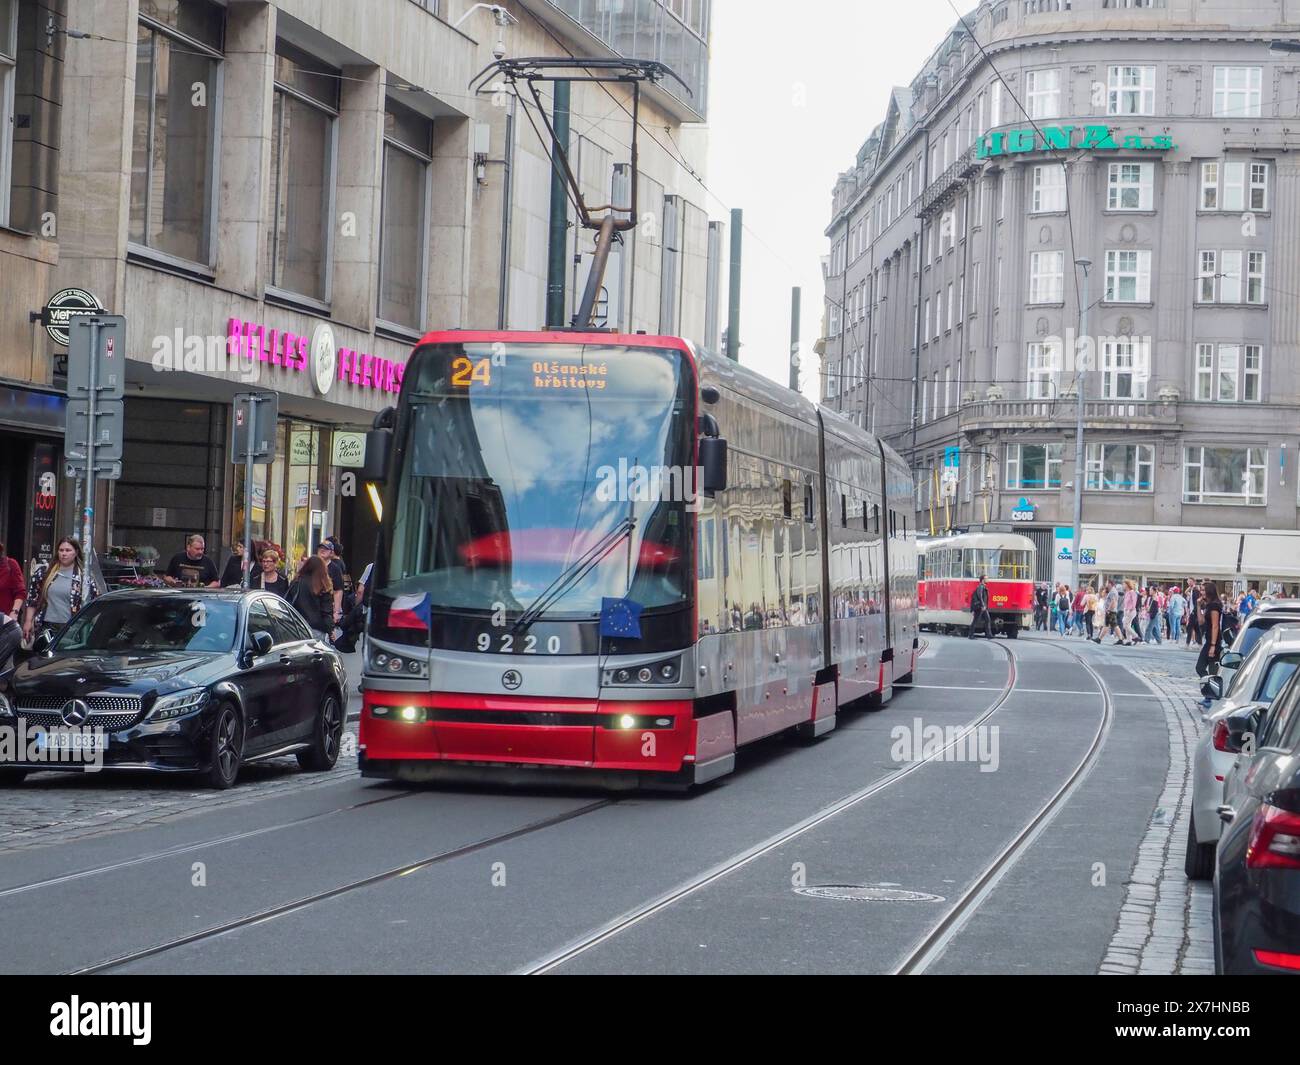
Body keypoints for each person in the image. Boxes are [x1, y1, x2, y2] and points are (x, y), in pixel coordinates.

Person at [23, 537, 96, 645]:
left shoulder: (84, 577)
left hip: (71, 628)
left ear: (76, 552)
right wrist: (28, 621)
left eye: (68, 550)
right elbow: (33, 598)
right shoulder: (45, 572)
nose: (64, 554)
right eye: (61, 550)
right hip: (46, 626)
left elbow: (94, 602)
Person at [289, 555, 334, 640]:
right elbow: (326, 612)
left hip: (297, 626)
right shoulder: (322, 585)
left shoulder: (296, 581)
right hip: (316, 627)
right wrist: (331, 630)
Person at [1197, 580, 1225, 709]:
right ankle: (1210, 695)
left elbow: (1215, 626)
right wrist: (1198, 606)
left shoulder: (1214, 606)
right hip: (1209, 640)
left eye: (1203, 590)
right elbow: (1201, 621)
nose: (1201, 592)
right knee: (1201, 668)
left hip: (1213, 642)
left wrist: (1213, 645)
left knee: (1211, 670)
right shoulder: (1208, 605)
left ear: (1209, 591)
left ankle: (1211, 697)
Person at [0, 542, 26, 671]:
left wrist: (14, 612)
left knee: (5, 666)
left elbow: (20, 592)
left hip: (5, 625)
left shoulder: (10, 565)